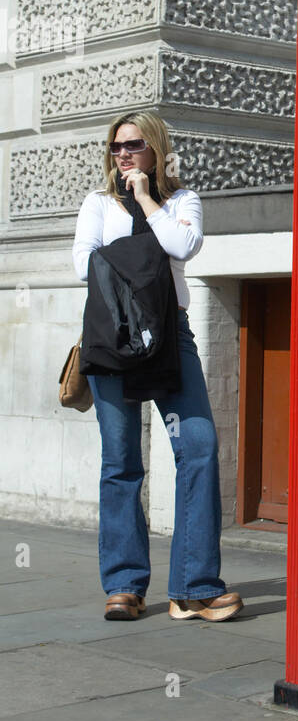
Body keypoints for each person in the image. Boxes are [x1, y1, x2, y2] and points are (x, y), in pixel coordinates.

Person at [72, 110, 242, 622]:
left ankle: (193, 584)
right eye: (116, 147)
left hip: (172, 337)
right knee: (121, 462)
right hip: (113, 340)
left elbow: (184, 245)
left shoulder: (181, 200)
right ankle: (124, 584)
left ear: (155, 148)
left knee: (198, 447)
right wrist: (145, 254)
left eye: (134, 145)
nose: (122, 154)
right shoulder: (98, 203)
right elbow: (82, 262)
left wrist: (147, 201)